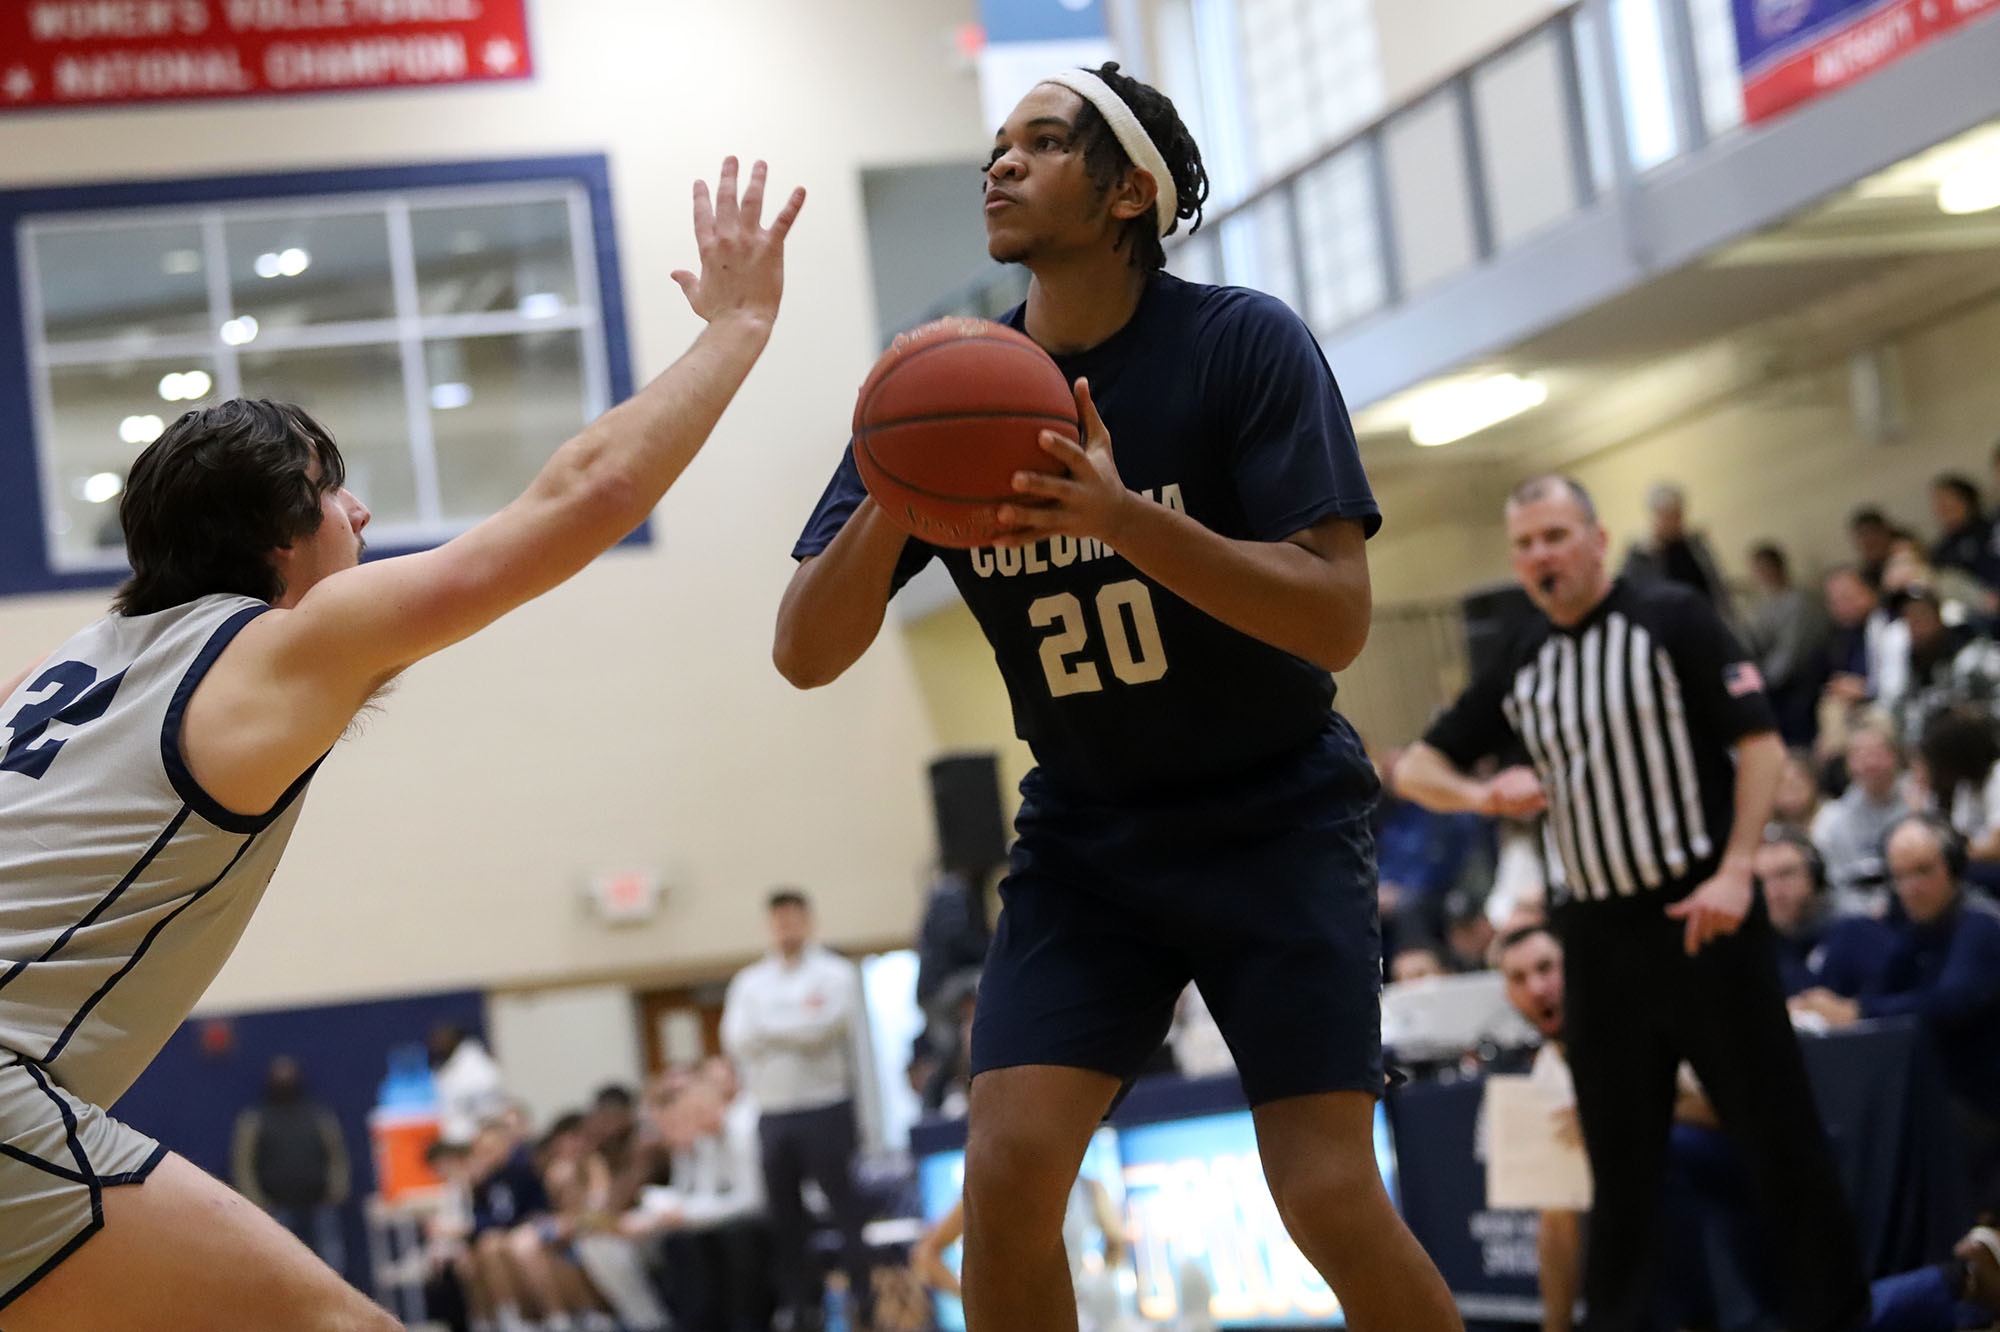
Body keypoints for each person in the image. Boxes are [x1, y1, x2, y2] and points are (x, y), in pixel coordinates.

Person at [0, 159, 803, 1331]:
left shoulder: (59, 671)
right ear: (282, 533)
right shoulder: (272, 648)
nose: (360, 516)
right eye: (336, 491)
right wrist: (739, 324)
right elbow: (582, 494)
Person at [773, 61, 1462, 1332]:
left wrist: (1122, 521)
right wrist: (892, 482)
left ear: (1127, 192)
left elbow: (1336, 614)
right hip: (1090, 835)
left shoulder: (1240, 343)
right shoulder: (947, 383)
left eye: (1039, 143)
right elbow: (805, 651)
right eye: (997, 145)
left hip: (1274, 816)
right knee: (1007, 1172)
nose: (1000, 164)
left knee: (1324, 1193)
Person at [1395, 474, 1867, 1332]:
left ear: (1597, 539)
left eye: (1555, 536)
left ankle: (1837, 1318)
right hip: (1598, 934)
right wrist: (1482, 795)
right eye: (1526, 542)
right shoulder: (1518, 654)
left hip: (1703, 916)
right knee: (1616, 1168)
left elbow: (1759, 748)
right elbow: (1417, 768)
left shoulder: (1673, 618)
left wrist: (1736, 868)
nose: (1541, 555)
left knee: (1779, 1139)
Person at [1792, 813, 2000, 1211]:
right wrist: (1824, 1007)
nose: (1911, 888)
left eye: (1923, 872)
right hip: (1935, 1088)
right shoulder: (1918, 930)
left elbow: (1948, 1003)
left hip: (1978, 1099)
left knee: (1880, 1137)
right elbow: (1884, 989)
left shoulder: (1981, 925)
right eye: (1900, 876)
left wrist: (1856, 1012)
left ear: (1954, 869)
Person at [719, 888, 874, 1332]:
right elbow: (738, 1041)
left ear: (807, 921)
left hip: (826, 1106)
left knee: (844, 1207)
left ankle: (862, 1298)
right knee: (785, 1216)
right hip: (775, 1111)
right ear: (770, 924)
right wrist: (794, 1029)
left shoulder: (834, 973)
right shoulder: (750, 982)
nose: (787, 927)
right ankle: (801, 1306)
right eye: (779, 920)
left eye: (794, 919)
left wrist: (771, 1031)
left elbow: (826, 1030)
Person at [229, 1055, 351, 1276]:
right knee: (281, 1266)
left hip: (319, 1202)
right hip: (277, 1206)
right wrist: (255, 1199)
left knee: (331, 1265)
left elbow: (335, 1154)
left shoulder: (317, 1115)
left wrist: (337, 1188)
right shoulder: (255, 1119)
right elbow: (243, 1163)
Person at [1752, 826, 1891, 999]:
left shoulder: (1856, 931)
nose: (1773, 892)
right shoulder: (1762, 950)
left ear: (1816, 877)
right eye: (1762, 882)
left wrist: (1857, 1011)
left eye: (1786, 875)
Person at [1811, 725, 1910, 910]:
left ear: (1896, 756)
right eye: (1861, 755)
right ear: (1849, 764)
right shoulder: (1832, 819)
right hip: (1854, 911)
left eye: (1878, 753)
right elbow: (1833, 883)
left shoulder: (1918, 805)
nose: (1870, 763)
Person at [1741, 542, 1827, 746]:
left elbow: (1792, 651)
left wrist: (1763, 682)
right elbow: (1754, 644)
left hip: (1800, 679)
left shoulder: (1799, 602)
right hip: (1773, 679)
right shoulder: (1763, 606)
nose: (1761, 575)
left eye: (1764, 568)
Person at [1622, 482, 1732, 616]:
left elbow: (1717, 586)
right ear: (1656, 516)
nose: (1677, 521)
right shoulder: (1640, 554)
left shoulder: (1696, 543)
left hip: (1707, 618)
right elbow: (1632, 596)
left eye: (1678, 514)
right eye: (1669, 516)